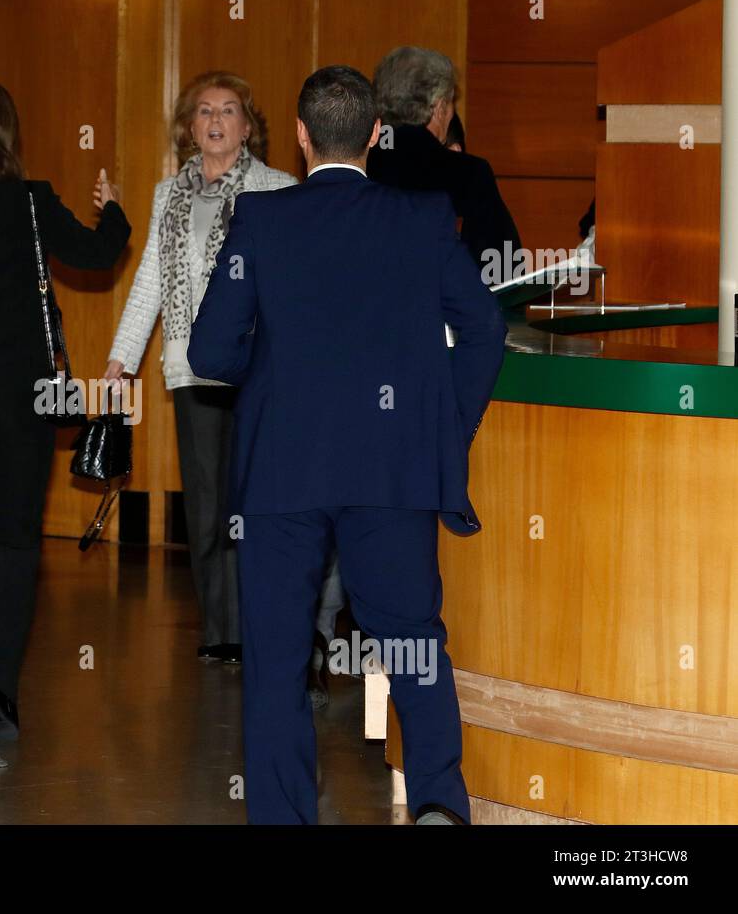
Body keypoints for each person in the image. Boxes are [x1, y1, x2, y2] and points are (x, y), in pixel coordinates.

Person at [188, 65, 507, 824]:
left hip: (283, 472)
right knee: (413, 644)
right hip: (391, 470)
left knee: (275, 661)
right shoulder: (423, 218)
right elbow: (486, 331)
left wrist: (268, 366)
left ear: (300, 137)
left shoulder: (260, 222)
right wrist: (445, 429)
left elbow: (208, 352)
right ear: (376, 134)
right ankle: (437, 805)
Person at [0, 74, 130, 738]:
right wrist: (114, 208)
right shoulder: (32, 202)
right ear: (7, 134)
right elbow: (98, 255)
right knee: (14, 538)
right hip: (27, 392)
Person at [104, 71, 295, 665]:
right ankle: (219, 630)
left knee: (252, 502)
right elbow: (150, 283)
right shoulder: (169, 193)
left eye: (229, 110)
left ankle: (254, 625)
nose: (216, 120)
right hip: (192, 369)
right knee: (207, 503)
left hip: (258, 372)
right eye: (205, 110)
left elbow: (290, 287)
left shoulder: (277, 187)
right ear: (190, 127)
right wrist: (121, 358)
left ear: (247, 125)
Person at [367, 46, 520, 281]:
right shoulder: (467, 174)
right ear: (438, 108)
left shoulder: (360, 164)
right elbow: (503, 271)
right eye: (451, 104)